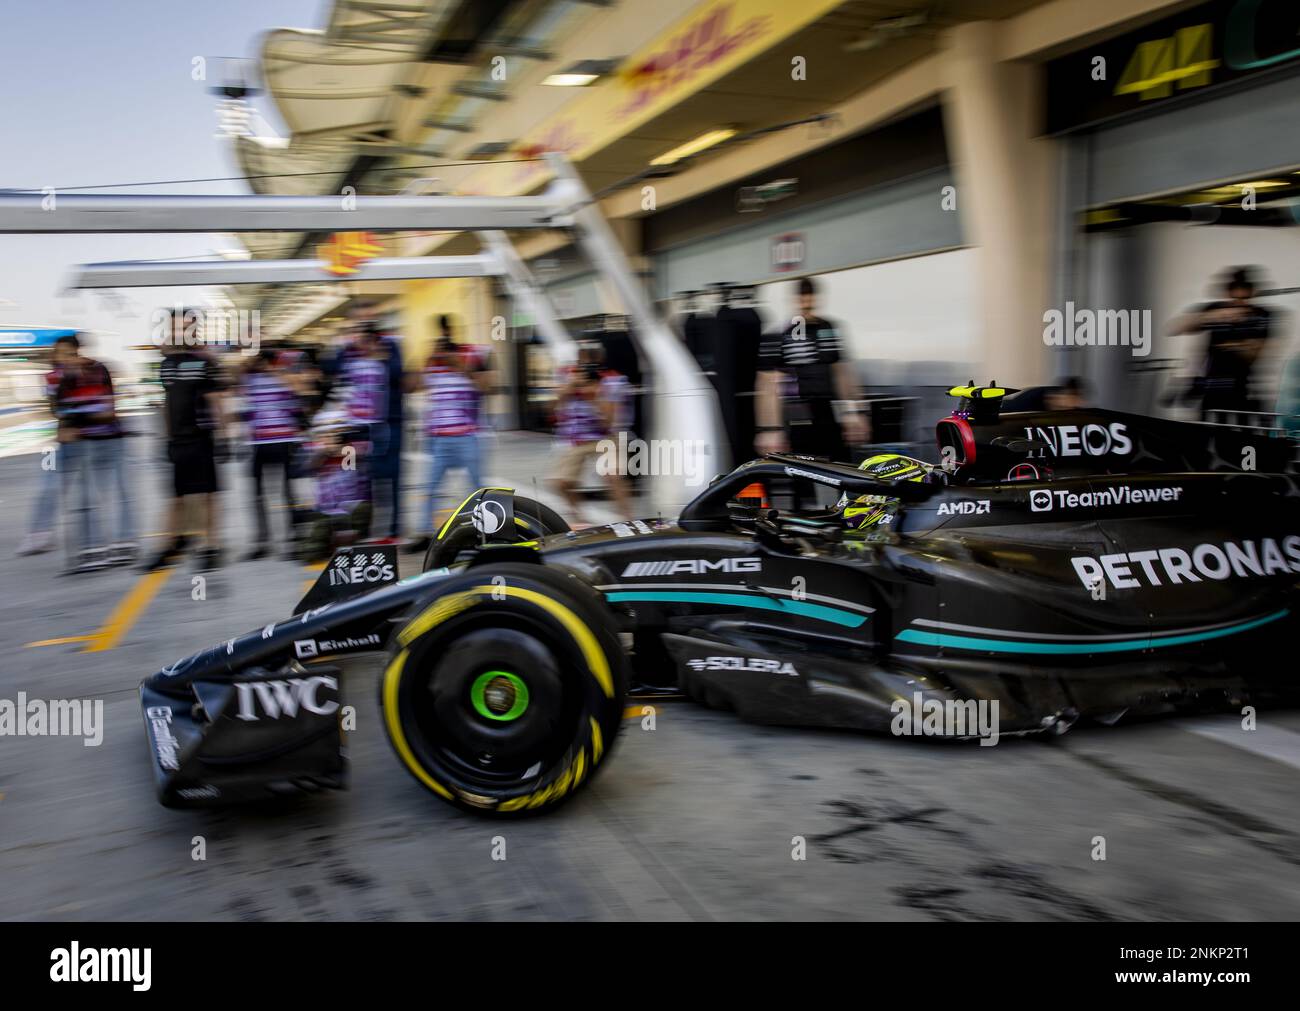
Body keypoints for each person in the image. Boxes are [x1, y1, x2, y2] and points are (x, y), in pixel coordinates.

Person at [141, 310, 227, 571]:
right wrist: (167, 438)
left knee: (208, 495)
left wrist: (223, 437)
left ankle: (212, 546)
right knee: (177, 496)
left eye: (186, 327)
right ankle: (170, 546)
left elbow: (216, 401)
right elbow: (168, 402)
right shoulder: (166, 364)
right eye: (175, 327)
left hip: (202, 437)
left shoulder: (206, 362)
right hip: (178, 439)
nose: (180, 332)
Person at [755, 277, 868, 461]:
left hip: (826, 411)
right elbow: (768, 384)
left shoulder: (828, 328)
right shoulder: (779, 334)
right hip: (797, 414)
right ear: (796, 300)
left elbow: (842, 373)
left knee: (843, 470)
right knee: (801, 473)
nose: (806, 303)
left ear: (816, 299)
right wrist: (770, 429)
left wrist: (854, 413)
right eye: (802, 298)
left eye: (810, 298)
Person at [51, 333, 136, 571]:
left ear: (77, 352)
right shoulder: (64, 380)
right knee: (86, 497)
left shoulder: (100, 370)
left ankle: (125, 543)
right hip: (84, 443)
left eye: (68, 354)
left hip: (111, 438)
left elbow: (107, 409)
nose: (64, 359)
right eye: (59, 355)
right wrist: (64, 427)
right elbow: (59, 411)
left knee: (122, 492)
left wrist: (74, 422)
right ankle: (92, 548)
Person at [1167, 266, 1274, 420]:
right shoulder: (1215, 309)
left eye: (1244, 299)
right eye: (1235, 299)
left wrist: (1233, 341)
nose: (1239, 304)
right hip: (1211, 387)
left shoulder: (1261, 315)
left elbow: (1253, 355)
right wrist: (1212, 317)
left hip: (1242, 388)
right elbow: (1174, 328)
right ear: (1227, 294)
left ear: (1252, 293)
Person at [550, 344, 632, 522]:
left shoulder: (612, 381)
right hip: (576, 439)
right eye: (583, 361)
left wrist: (594, 396)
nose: (586, 366)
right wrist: (569, 388)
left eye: (591, 361)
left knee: (613, 476)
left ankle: (627, 518)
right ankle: (580, 519)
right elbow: (553, 407)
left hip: (604, 437)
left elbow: (608, 422)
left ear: (600, 362)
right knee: (561, 482)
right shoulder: (568, 376)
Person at [421, 335, 486, 537]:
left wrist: (459, 364)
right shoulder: (435, 374)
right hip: (440, 440)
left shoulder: (467, 376)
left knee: (476, 486)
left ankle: (483, 526)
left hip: (466, 437)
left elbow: (485, 387)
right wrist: (431, 356)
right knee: (431, 487)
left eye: (447, 351)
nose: (444, 356)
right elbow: (413, 383)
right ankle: (425, 529)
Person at [241, 349, 303, 559]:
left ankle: (293, 539)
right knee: (258, 494)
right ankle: (262, 540)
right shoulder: (250, 380)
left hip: (283, 440)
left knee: (287, 492)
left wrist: (280, 375)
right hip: (259, 442)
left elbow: (297, 405)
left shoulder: (286, 378)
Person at [16, 354, 65, 556]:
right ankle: (39, 535)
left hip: (76, 443)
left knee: (51, 488)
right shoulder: (51, 377)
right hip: (53, 445)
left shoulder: (80, 374)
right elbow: (52, 409)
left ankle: (41, 535)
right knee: (46, 488)